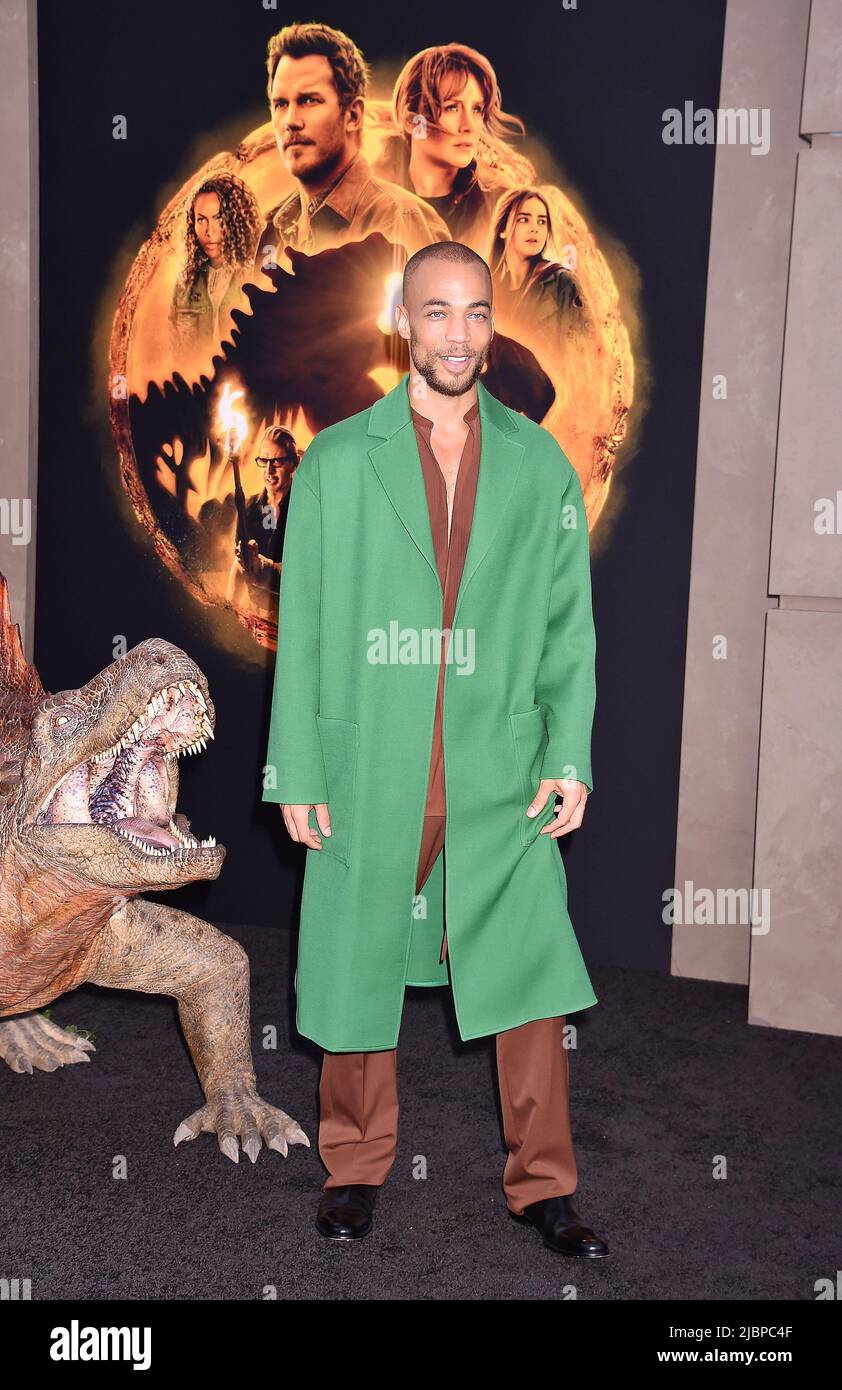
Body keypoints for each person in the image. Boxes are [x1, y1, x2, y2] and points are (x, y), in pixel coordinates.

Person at [263, 241, 608, 1260]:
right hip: (371, 753)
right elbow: (308, 623)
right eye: (436, 312)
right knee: (356, 958)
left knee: (532, 976)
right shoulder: (332, 460)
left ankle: (542, 1185)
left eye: (474, 313)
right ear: (401, 321)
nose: (456, 333)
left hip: (498, 761)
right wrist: (296, 768)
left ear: (490, 323)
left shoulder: (537, 461)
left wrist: (569, 753)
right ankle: (354, 1170)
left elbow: (566, 626)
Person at [254, 22, 450, 270]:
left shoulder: (396, 219)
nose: (291, 121)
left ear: (353, 115)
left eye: (310, 100)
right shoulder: (273, 230)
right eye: (281, 104)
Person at [371, 42, 519, 255]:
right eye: (452, 107)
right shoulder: (370, 200)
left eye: (477, 109)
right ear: (413, 121)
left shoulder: (501, 209)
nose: (469, 125)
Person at [169, 174, 262, 351]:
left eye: (218, 218)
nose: (209, 232)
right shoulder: (184, 284)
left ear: (236, 221)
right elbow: (173, 351)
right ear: (192, 224)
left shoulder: (256, 276)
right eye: (201, 219)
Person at [487, 186, 590, 344]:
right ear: (503, 230)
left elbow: (583, 351)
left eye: (542, 221)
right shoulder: (492, 292)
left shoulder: (563, 283)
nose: (535, 228)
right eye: (524, 219)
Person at [226, 425, 299, 604]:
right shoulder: (250, 508)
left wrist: (263, 566)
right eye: (264, 460)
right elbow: (243, 566)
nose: (269, 470)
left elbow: (308, 571)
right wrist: (246, 556)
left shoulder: (308, 508)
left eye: (277, 461)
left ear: (294, 463)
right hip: (259, 608)